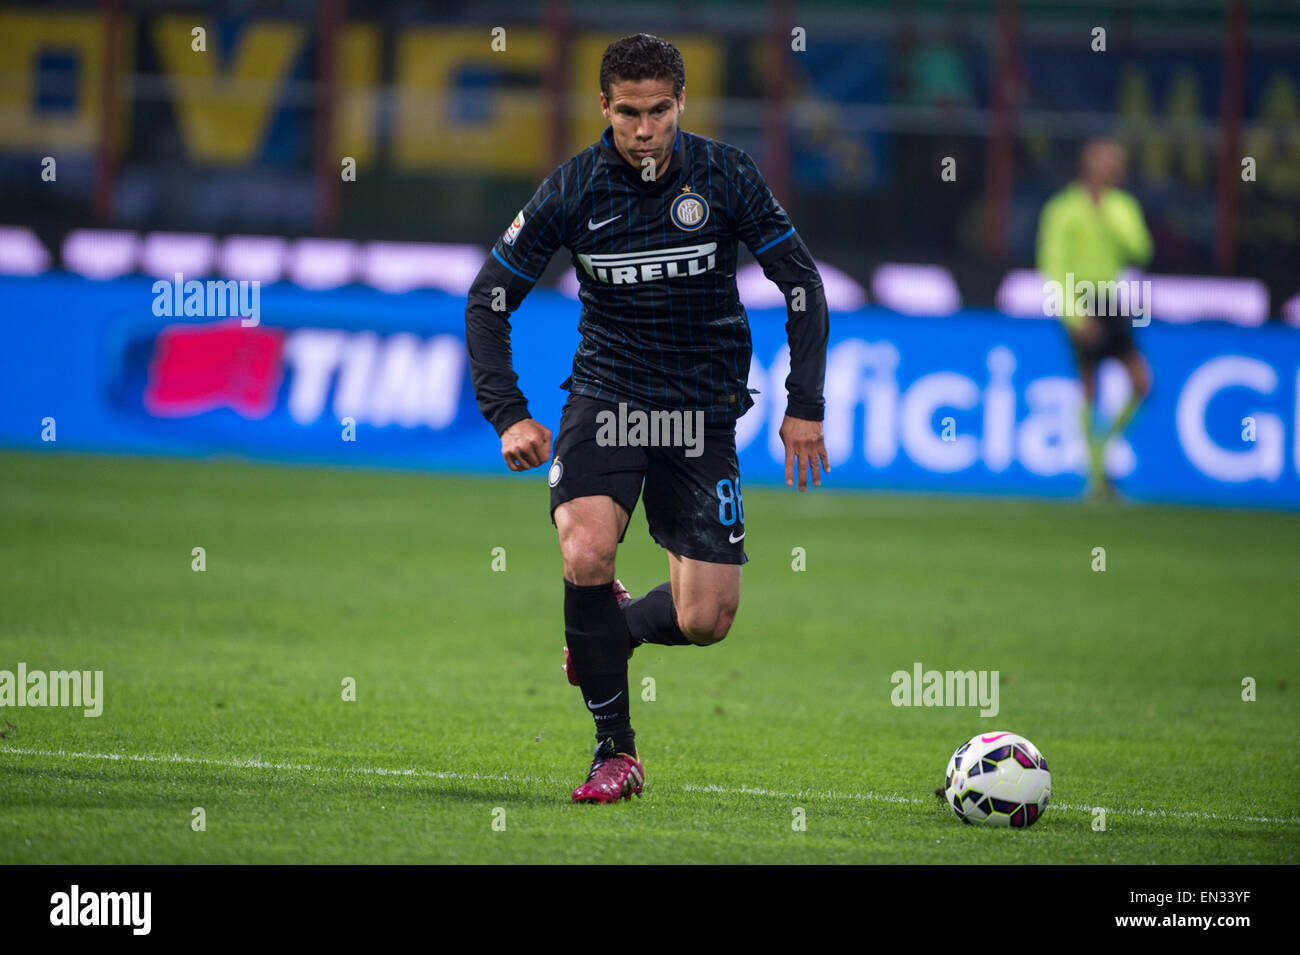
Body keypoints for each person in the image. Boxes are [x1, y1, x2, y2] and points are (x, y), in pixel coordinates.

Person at [464, 33, 829, 803]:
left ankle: (611, 630)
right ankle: (614, 753)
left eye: (659, 111)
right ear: (603, 108)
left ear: (681, 105)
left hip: (700, 414)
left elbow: (802, 287)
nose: (644, 129)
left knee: (706, 618)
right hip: (610, 395)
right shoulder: (573, 189)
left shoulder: (725, 175)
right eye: (628, 113)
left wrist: (805, 407)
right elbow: (488, 297)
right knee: (586, 548)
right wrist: (508, 414)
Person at [1036, 137, 1153, 497]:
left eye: (1116, 161)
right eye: (1106, 160)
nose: (1113, 167)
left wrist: (1108, 217)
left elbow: (1141, 250)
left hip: (1111, 299)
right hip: (1079, 297)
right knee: (1089, 388)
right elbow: (1052, 265)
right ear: (1088, 164)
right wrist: (1073, 315)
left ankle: (1100, 455)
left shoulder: (1123, 207)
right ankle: (1096, 479)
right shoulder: (1063, 209)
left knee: (1141, 382)